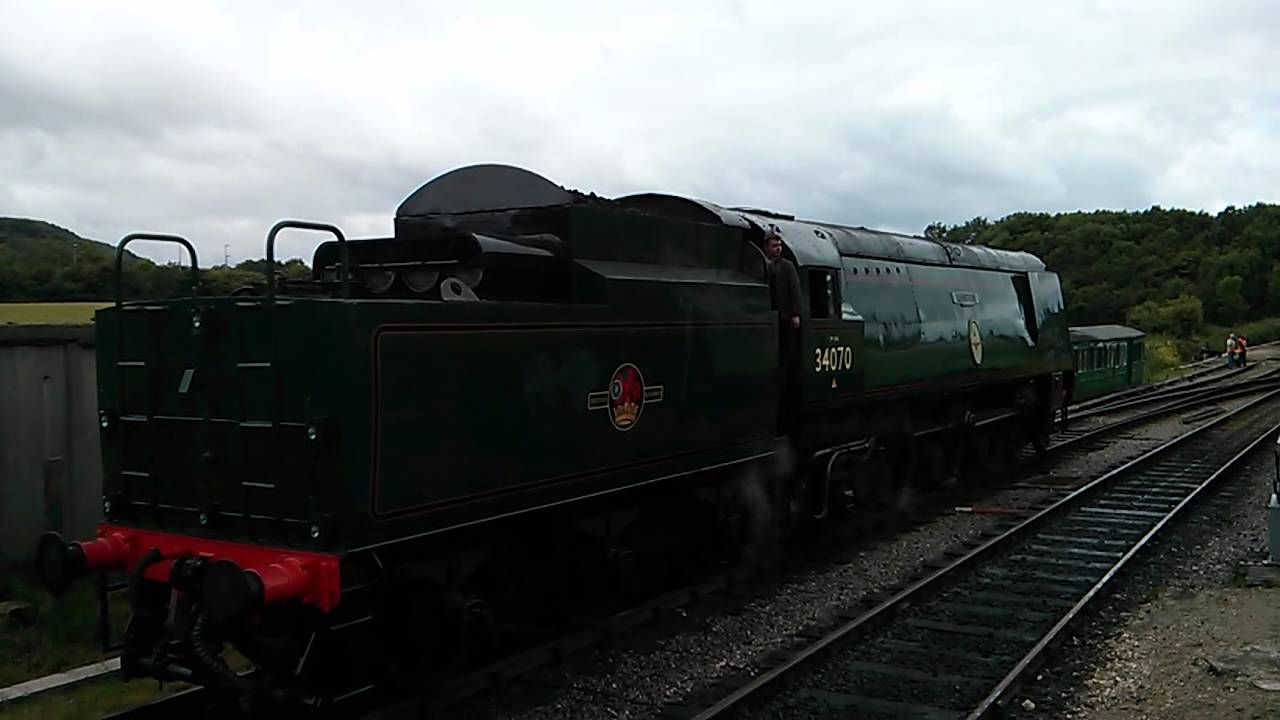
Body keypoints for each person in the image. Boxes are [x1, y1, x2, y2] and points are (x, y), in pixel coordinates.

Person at [764, 226, 803, 433]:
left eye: (779, 245)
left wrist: (795, 313)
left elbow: (795, 290)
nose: (778, 248)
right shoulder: (761, 264)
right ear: (766, 247)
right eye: (774, 245)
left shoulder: (787, 266)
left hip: (784, 319)